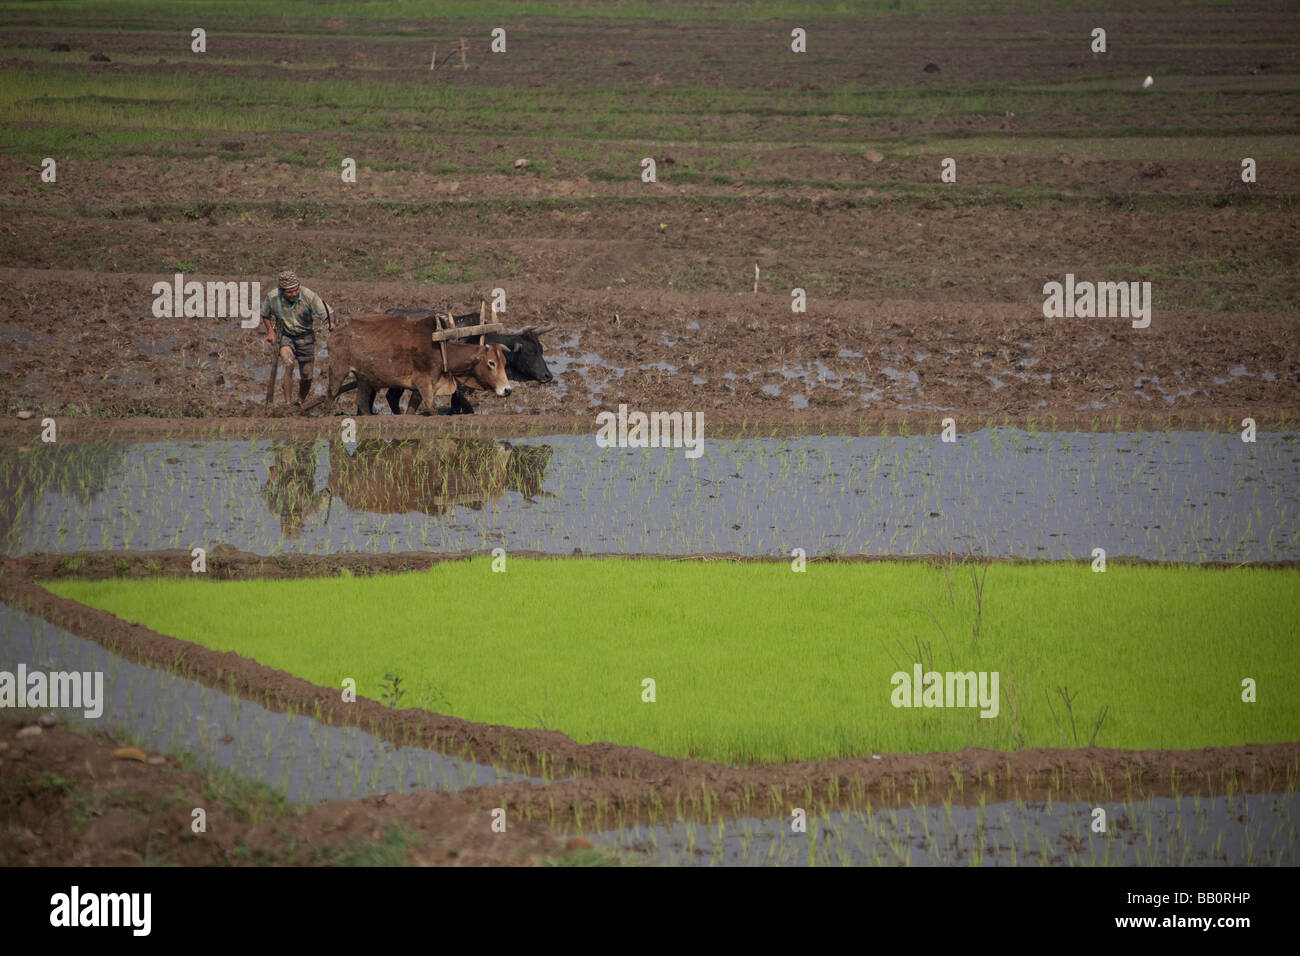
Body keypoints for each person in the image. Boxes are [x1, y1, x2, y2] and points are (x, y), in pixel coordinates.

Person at [261, 269, 333, 406]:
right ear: (281, 291)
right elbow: (265, 315)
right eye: (289, 292)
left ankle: (300, 402)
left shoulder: (308, 295)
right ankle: (288, 404)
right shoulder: (273, 297)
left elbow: (327, 313)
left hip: (305, 336)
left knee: (307, 375)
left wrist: (330, 322)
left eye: (296, 290)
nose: (294, 294)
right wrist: (271, 331)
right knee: (288, 363)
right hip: (285, 335)